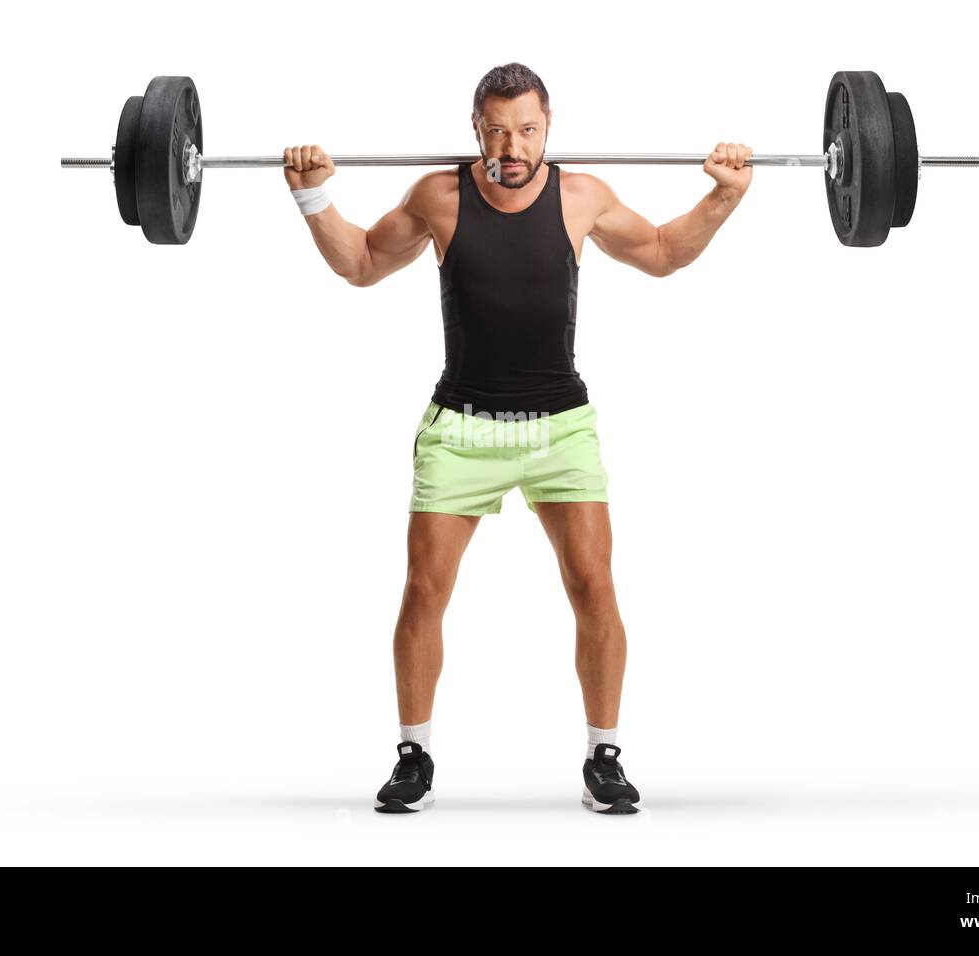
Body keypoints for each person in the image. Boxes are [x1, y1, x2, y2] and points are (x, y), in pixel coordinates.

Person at [282, 63, 751, 814]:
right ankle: (414, 755)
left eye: (527, 130)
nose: (512, 145)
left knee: (594, 586)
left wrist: (723, 197)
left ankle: (604, 754)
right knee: (425, 591)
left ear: (548, 126)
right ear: (476, 127)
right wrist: (313, 197)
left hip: (561, 427)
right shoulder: (439, 196)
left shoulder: (581, 197)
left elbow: (662, 252)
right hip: (461, 428)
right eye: (497, 130)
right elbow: (364, 263)